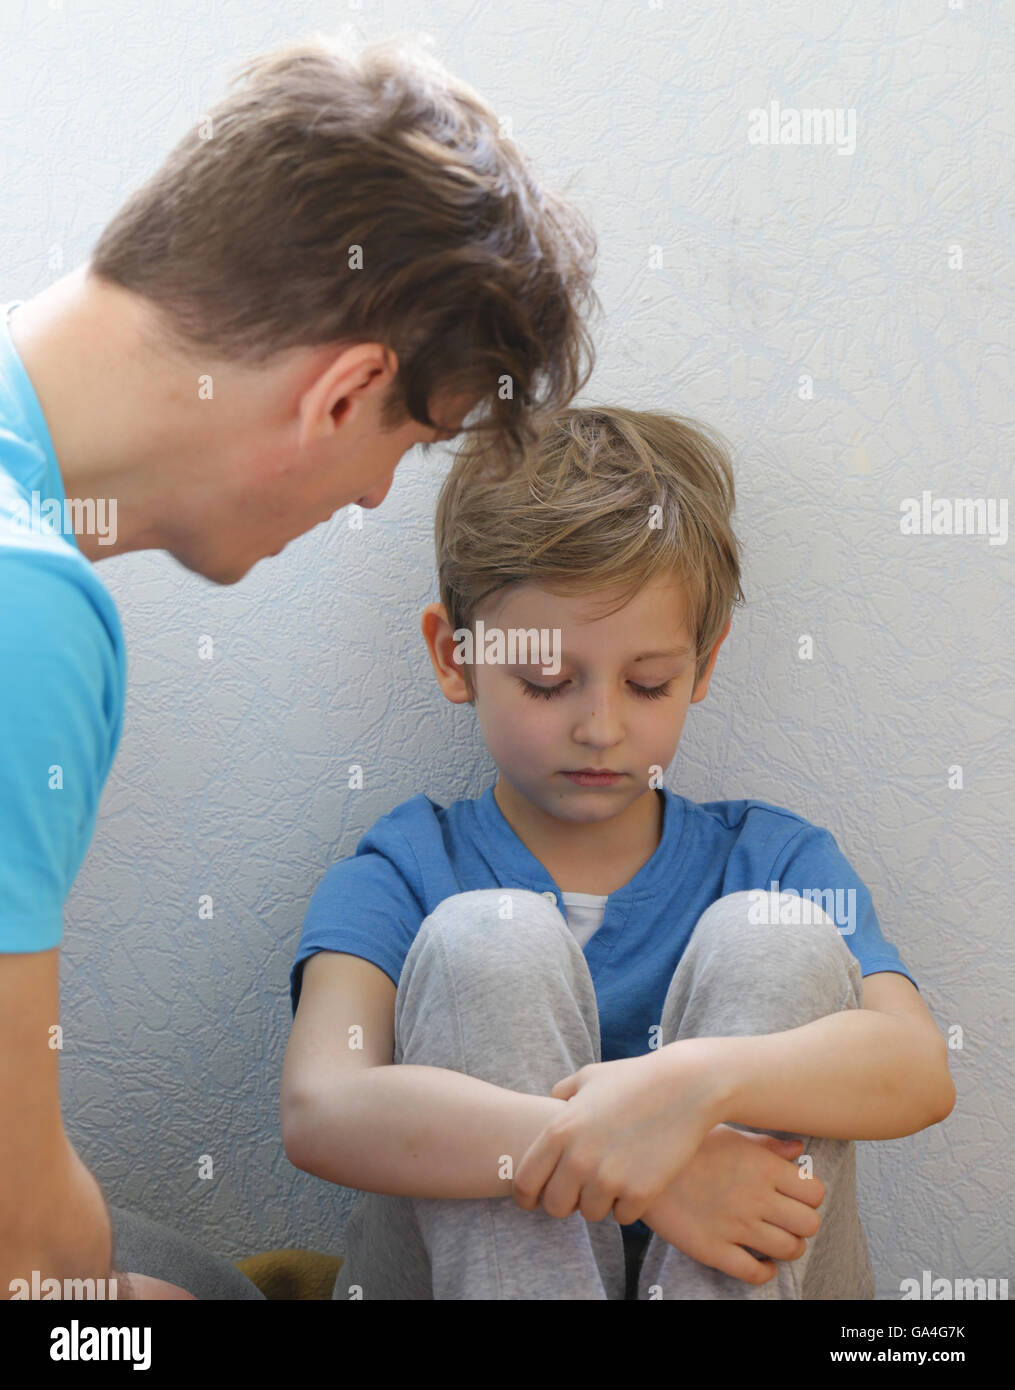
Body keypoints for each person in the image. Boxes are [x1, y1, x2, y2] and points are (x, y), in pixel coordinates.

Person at [0, 32, 599, 1300]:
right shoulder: (28, 609)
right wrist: (90, 1298)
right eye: (409, 442)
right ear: (345, 393)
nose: (378, 492)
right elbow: (25, 1254)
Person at [282, 405, 957, 1300]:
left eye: (647, 684)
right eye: (547, 682)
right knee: (487, 937)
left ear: (702, 667)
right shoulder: (405, 869)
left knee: (775, 937)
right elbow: (320, 1108)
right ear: (456, 657)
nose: (600, 727)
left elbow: (916, 1072)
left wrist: (691, 1090)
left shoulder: (776, 859)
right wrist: (655, 1170)